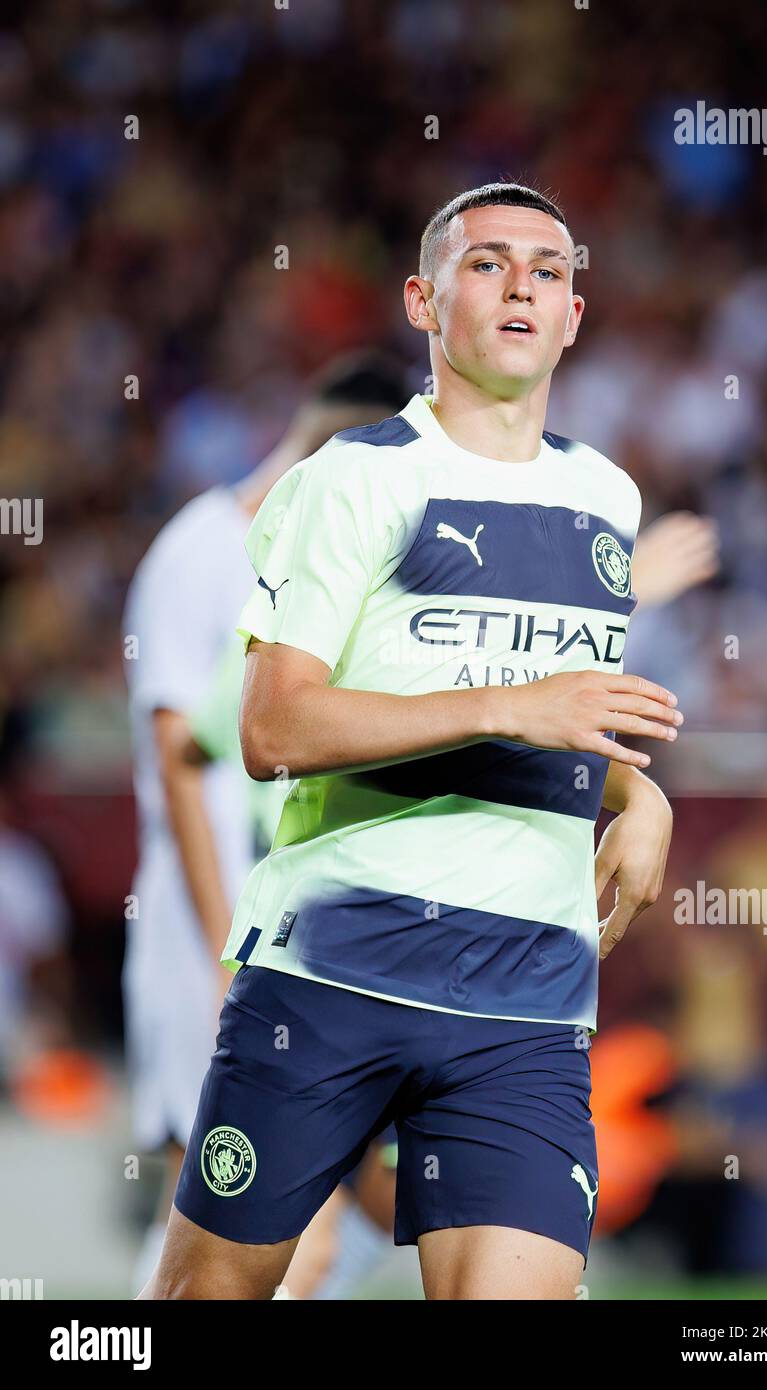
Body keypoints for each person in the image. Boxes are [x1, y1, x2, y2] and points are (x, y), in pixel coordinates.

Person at [142, 181, 682, 1301]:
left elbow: (557, 728)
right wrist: (513, 704)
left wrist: (640, 800)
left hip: (524, 999)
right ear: (421, 303)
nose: (522, 284)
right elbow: (271, 725)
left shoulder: (607, 499)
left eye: (548, 268)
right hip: (331, 976)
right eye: (485, 263)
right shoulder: (349, 479)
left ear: (574, 315)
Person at [122, 354, 409, 1292]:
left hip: (286, 924)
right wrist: (219, 951)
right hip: (201, 920)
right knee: (209, 1197)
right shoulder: (202, 552)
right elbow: (180, 758)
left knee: (307, 1209)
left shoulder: (308, 563)